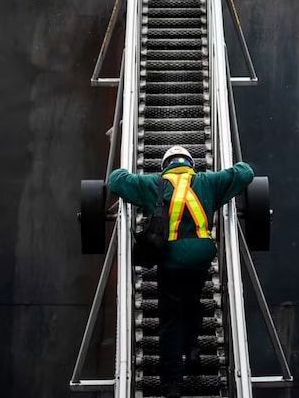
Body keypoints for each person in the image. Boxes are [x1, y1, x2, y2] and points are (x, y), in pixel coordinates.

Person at [108, 146, 255, 398]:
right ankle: (194, 349)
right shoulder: (208, 182)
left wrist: (122, 163)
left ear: (166, 165)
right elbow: (245, 173)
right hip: (200, 256)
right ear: (190, 163)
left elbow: (116, 181)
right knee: (194, 303)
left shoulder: (154, 184)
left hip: (170, 259)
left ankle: (172, 383)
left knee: (170, 319)